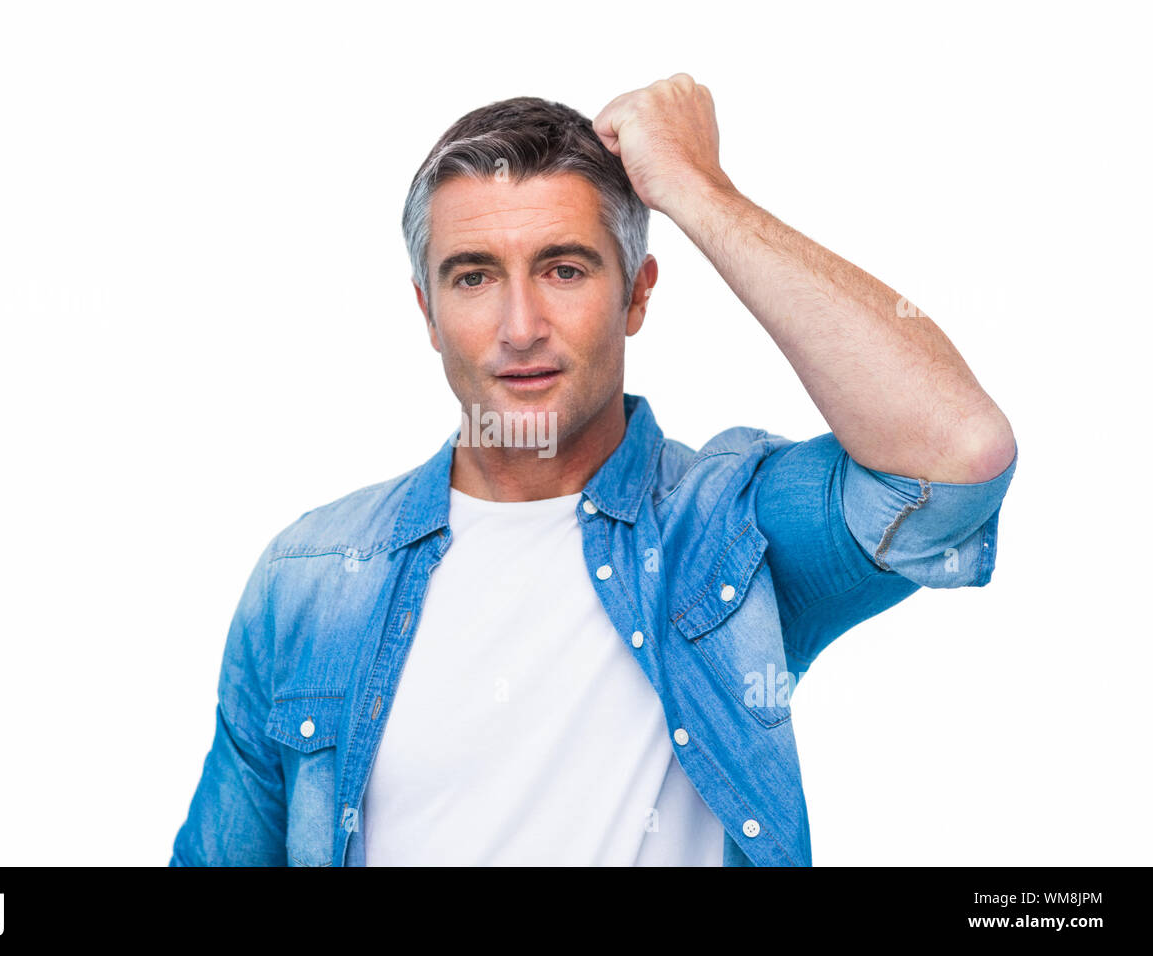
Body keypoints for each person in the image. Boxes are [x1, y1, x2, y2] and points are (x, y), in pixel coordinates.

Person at [169, 73, 1018, 867]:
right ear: (427, 311)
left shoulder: (728, 530)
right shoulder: (308, 578)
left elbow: (955, 456)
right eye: (474, 277)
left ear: (638, 293)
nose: (521, 325)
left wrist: (699, 191)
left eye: (563, 269)